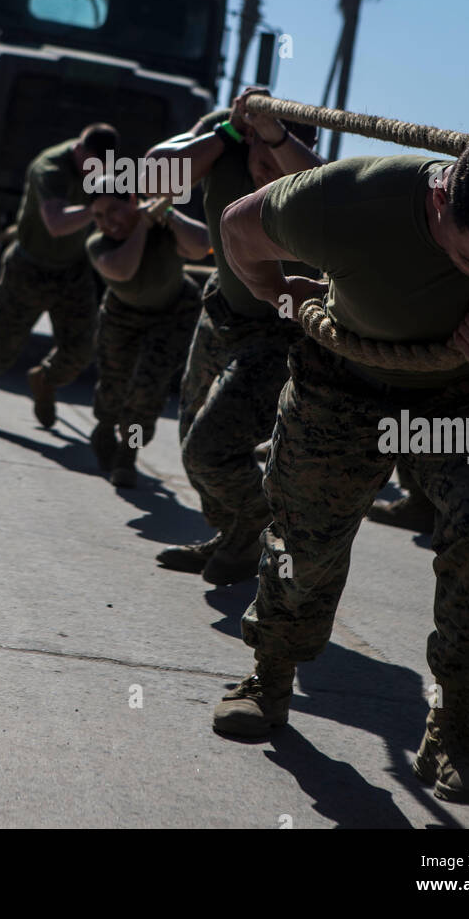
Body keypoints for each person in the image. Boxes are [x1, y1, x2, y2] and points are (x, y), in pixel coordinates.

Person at [212, 132, 469, 807]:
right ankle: (269, 677)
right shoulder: (349, 198)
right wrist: (287, 302)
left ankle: (452, 728)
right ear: (440, 198)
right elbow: (237, 228)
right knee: (305, 538)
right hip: (343, 382)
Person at [146, 88, 322, 586]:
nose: (264, 166)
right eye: (257, 152)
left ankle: (262, 528)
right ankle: (233, 534)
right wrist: (228, 131)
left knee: (210, 450)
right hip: (222, 315)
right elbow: (153, 175)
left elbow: (317, 181)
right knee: (189, 436)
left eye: (277, 155)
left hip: (280, 335)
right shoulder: (224, 153)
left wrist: (275, 138)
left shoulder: (316, 190)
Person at [0, 123, 119, 427]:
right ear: (79, 150)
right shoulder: (50, 169)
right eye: (91, 165)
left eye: (101, 167)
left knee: (81, 350)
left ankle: (45, 381)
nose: (94, 173)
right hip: (29, 269)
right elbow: (56, 223)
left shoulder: (102, 167)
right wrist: (99, 209)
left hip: (72, 270)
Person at [86, 182, 209, 488]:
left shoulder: (164, 226)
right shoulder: (99, 244)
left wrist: (168, 212)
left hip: (172, 313)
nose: (107, 222)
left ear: (131, 199)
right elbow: (124, 271)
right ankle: (104, 427)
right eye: (98, 216)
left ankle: (128, 454)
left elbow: (202, 245)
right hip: (121, 315)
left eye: (113, 210)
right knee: (114, 383)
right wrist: (141, 223)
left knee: (149, 389)